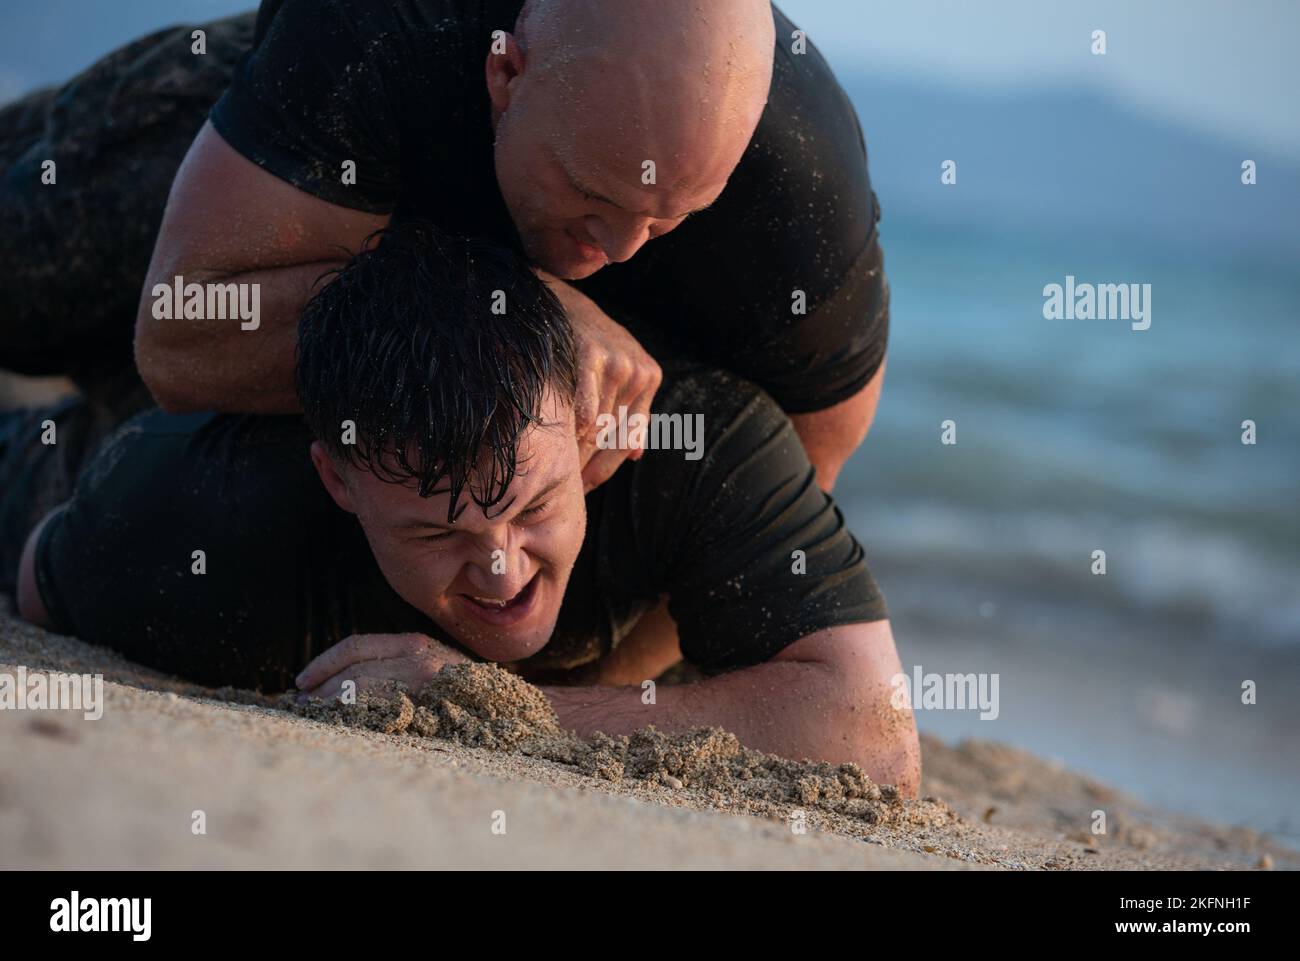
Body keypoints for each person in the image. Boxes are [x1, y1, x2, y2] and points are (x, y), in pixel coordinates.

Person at [10, 223, 919, 792]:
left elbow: (873, 738)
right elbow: (42, 582)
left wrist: (488, 701)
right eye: (437, 532)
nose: (500, 569)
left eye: (533, 507)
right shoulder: (210, 527)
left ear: (588, 426)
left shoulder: (698, 444)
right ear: (340, 482)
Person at [1, 0, 889, 496]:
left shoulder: (799, 186)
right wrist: (520, 316)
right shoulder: (381, 27)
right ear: (508, 73)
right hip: (282, 165)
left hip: (352, 382)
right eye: (592, 193)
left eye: (669, 217)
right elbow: (181, 334)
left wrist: (596, 678)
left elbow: (797, 479)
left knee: (133, 512)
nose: (621, 249)